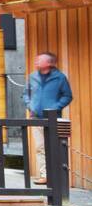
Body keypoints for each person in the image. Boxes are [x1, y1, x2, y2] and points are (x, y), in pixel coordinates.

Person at [24, 51, 73, 184]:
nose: (36, 62)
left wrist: (55, 107)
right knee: (40, 147)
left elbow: (67, 96)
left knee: (53, 146)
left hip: (53, 119)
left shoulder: (60, 78)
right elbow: (25, 94)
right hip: (36, 118)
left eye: (39, 60)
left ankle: (56, 176)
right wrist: (30, 105)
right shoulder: (32, 77)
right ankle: (45, 175)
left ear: (49, 63)